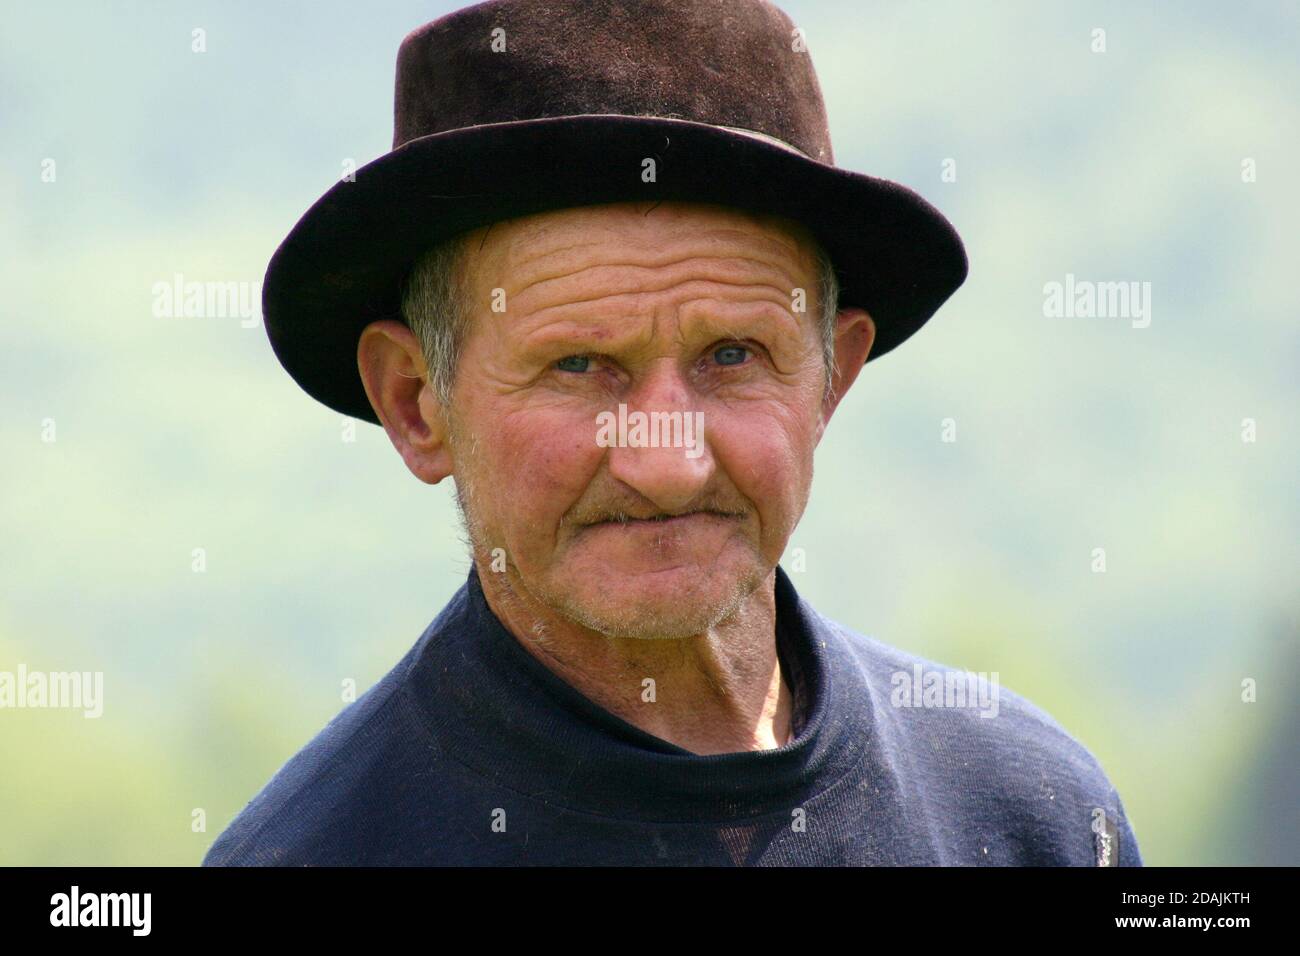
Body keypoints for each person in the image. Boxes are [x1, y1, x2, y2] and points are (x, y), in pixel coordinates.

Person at [205, 0, 1141, 865]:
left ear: (831, 378)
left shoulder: (1034, 820)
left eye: (732, 355)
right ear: (417, 402)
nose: (668, 463)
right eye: (577, 366)